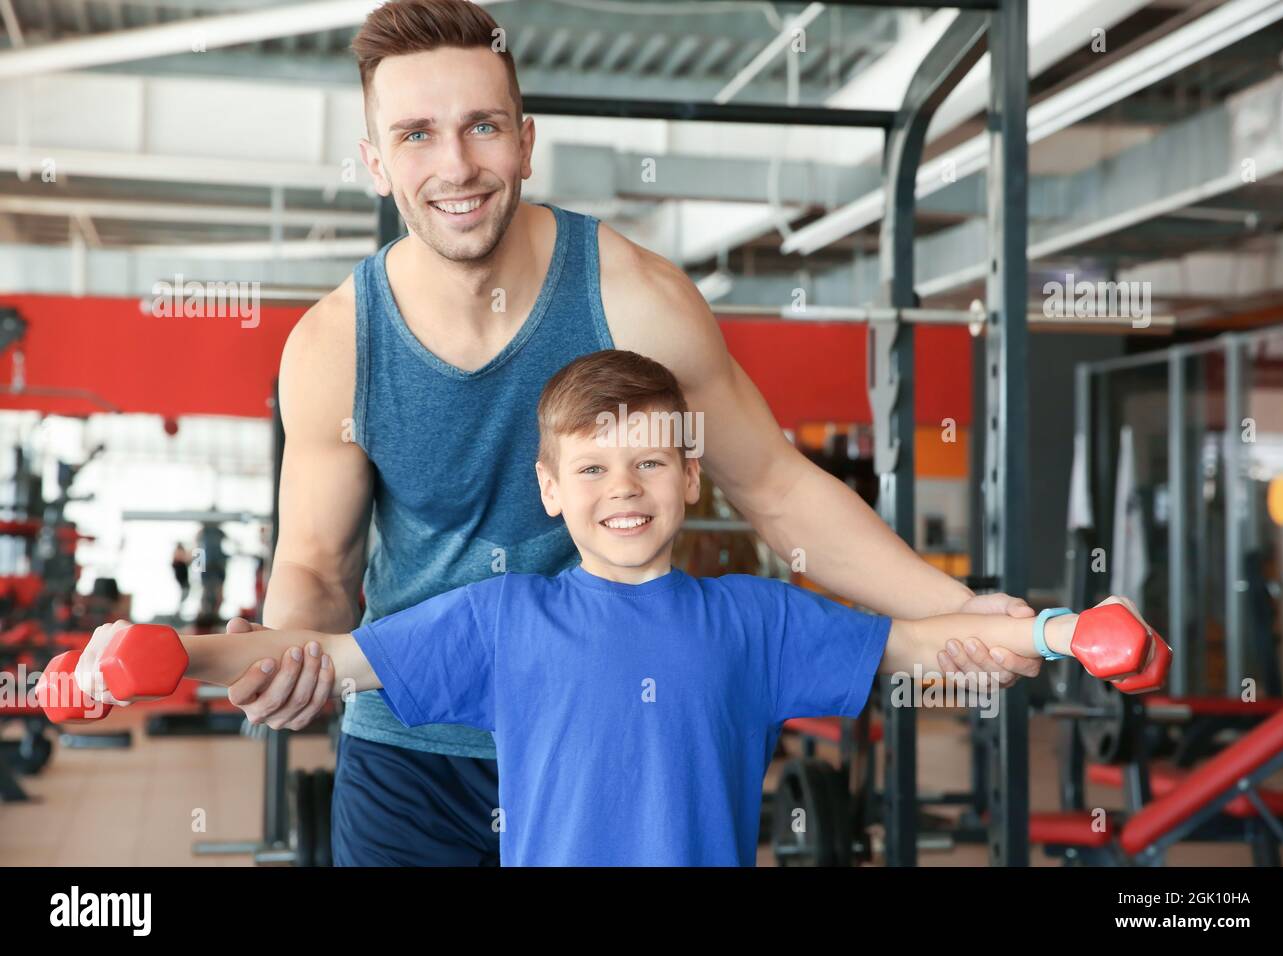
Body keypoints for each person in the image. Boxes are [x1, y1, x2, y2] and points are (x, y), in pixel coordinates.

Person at [223, 0, 1044, 866]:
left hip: (609, 737)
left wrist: (951, 611)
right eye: (417, 134)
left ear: (527, 141)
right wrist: (294, 661)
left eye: (483, 127)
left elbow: (776, 488)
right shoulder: (332, 347)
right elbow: (317, 565)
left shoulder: (635, 299)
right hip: (411, 754)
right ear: (376, 163)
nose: (456, 165)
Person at [76, 351, 1155, 866]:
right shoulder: (501, 619)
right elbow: (326, 653)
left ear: (693, 479)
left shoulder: (756, 617)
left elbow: (920, 642)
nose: (622, 488)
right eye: (590, 469)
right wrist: (162, 650)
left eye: (649, 463)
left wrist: (1056, 631)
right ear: (550, 491)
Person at [171, 542, 190, 611]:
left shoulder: (179, 552)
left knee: (185, 591)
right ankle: (178, 610)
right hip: (181, 575)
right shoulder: (178, 552)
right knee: (185, 590)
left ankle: (179, 610)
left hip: (182, 575)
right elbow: (184, 559)